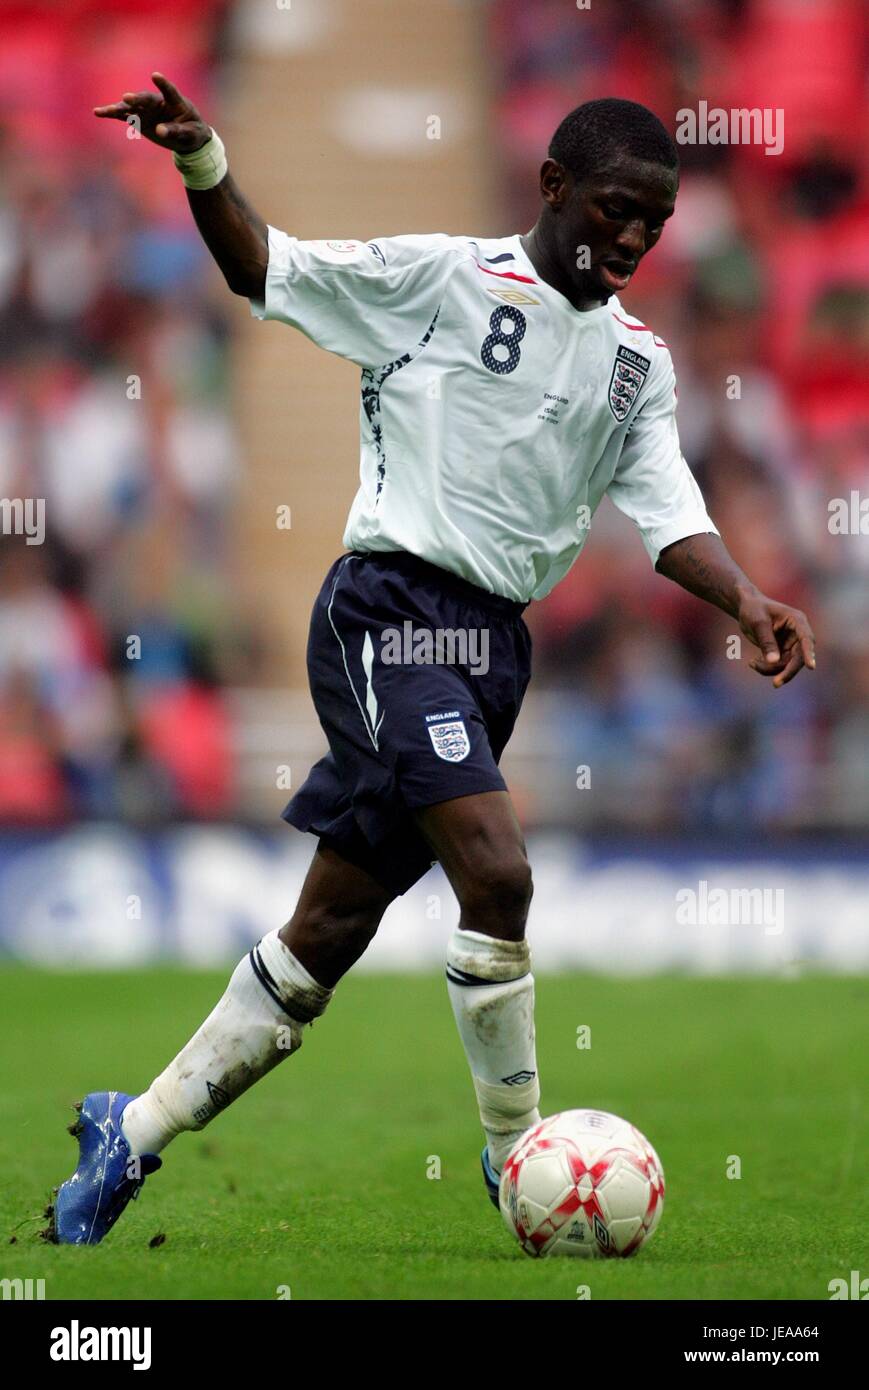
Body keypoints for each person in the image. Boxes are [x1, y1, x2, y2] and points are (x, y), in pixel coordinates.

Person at [46, 77, 815, 1244]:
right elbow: (268, 269)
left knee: (324, 938)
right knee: (497, 877)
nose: (633, 236)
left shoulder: (635, 366)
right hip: (390, 614)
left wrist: (748, 596)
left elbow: (667, 515)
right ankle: (519, 1164)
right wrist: (202, 158)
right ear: (553, 187)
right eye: (615, 207)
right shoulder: (439, 279)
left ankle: (134, 1127)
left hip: (491, 650)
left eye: (653, 223)